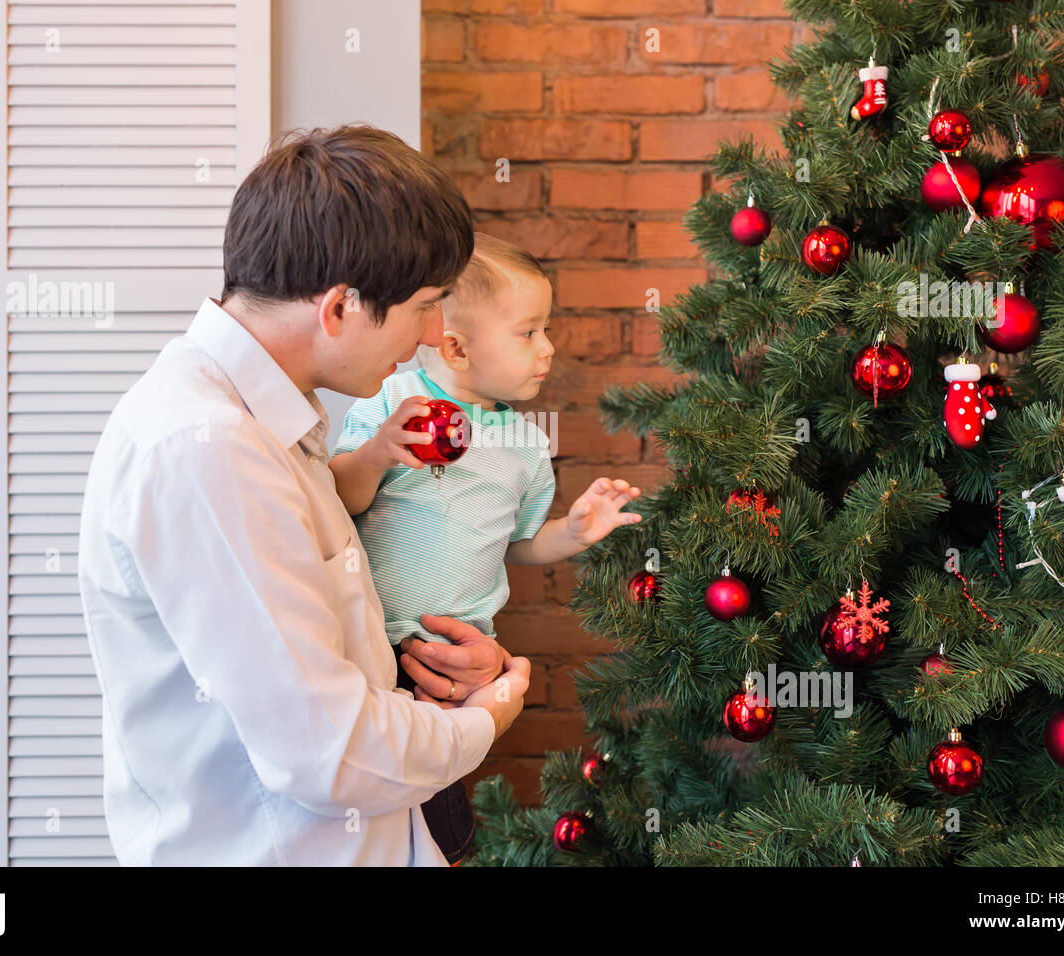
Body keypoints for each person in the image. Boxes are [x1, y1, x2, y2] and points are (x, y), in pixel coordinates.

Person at [77, 125, 529, 866]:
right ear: (341, 308)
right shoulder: (209, 449)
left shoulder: (272, 420)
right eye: (424, 305)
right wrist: (486, 720)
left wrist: (439, 685)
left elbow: (322, 670)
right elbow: (329, 752)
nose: (431, 337)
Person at [327, 233, 643, 861]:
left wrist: (573, 533)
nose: (548, 348)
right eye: (529, 333)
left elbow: (518, 545)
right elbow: (337, 496)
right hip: (368, 647)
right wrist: (377, 451)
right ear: (456, 347)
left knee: (439, 824)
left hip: (452, 662)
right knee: (370, 812)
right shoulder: (395, 402)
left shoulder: (524, 445)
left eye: (545, 330)